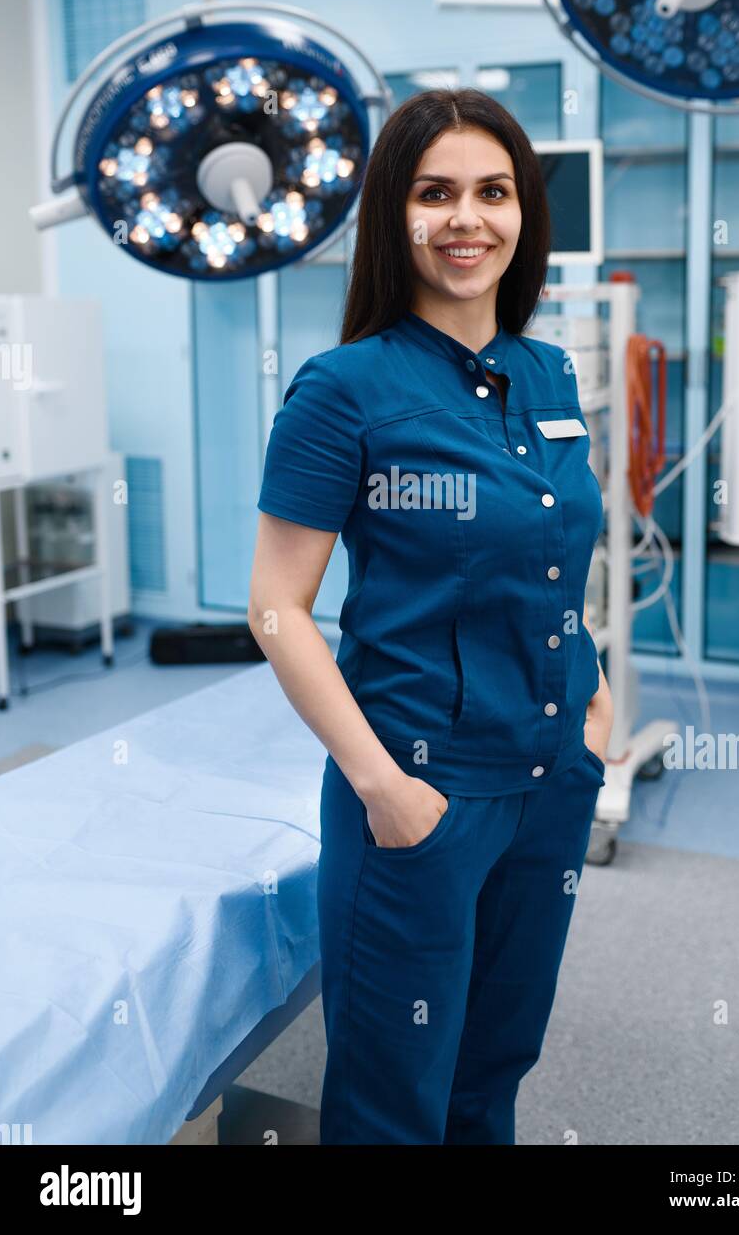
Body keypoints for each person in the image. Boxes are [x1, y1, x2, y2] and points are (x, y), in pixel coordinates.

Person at [248, 87, 614, 1145]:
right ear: (395, 218)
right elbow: (276, 606)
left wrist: (590, 709)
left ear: (524, 212)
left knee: (494, 1062)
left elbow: (555, 559)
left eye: (493, 192)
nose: (468, 218)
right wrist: (384, 789)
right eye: (435, 192)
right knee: (395, 1095)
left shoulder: (546, 371)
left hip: (549, 780)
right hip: (420, 789)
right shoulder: (344, 390)